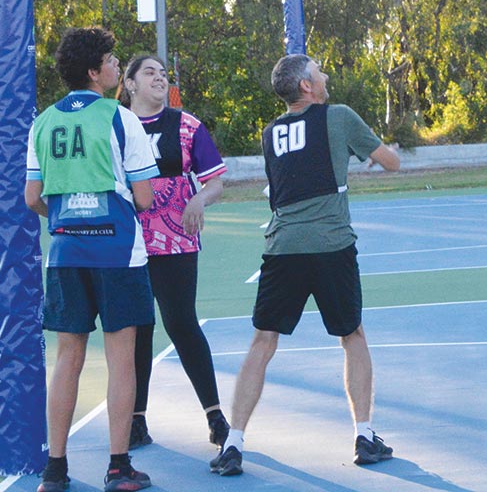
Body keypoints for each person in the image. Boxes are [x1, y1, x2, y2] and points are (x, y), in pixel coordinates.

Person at [212, 54, 401, 477]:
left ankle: (233, 441)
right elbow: (391, 162)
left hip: (282, 248)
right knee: (352, 335)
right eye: (320, 72)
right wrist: (377, 154)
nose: (327, 75)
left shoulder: (270, 133)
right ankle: (365, 436)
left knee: (263, 341)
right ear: (306, 87)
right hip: (331, 245)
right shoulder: (338, 117)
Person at [25, 28, 160, 492]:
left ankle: (55, 470)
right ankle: (117, 466)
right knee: (122, 359)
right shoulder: (121, 119)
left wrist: (67, 216)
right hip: (117, 252)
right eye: (111, 59)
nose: (117, 66)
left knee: (68, 358)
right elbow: (143, 197)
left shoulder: (42, 123)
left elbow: (32, 197)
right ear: (93, 70)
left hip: (64, 253)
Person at [118, 55, 230, 453]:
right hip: (125, 237)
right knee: (137, 328)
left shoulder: (186, 125)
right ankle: (135, 421)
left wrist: (200, 198)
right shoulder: (114, 123)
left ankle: (216, 416)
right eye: (149, 72)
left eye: (163, 73)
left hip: (175, 236)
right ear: (129, 84)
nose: (159, 78)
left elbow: (216, 181)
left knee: (181, 322)